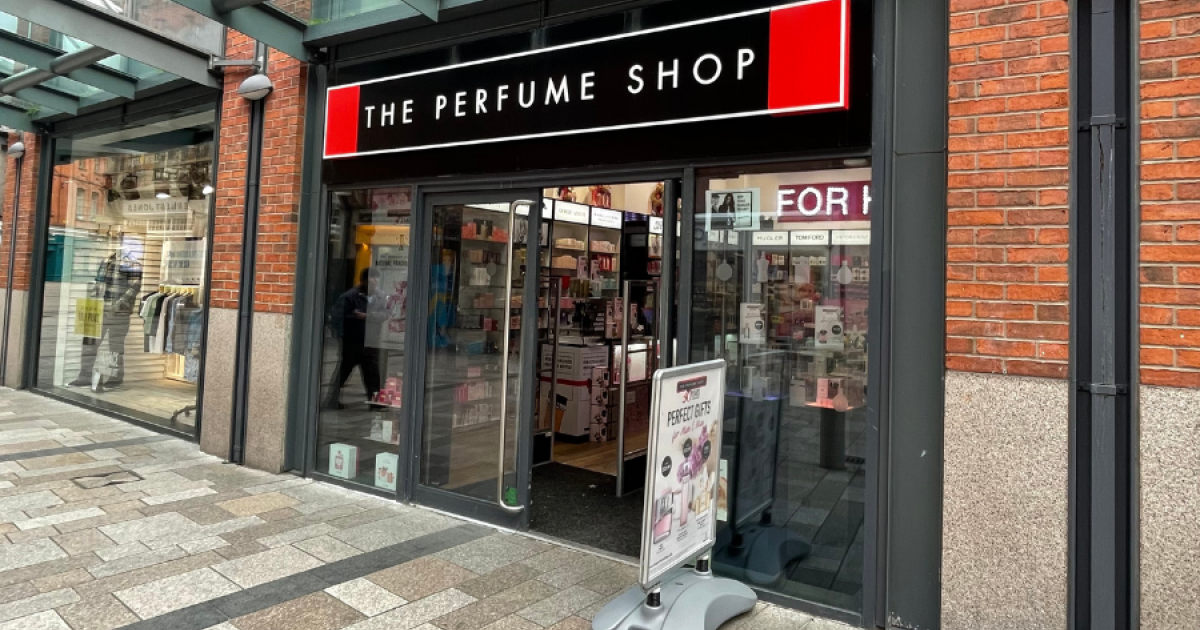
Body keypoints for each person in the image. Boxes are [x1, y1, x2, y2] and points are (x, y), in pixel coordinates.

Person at [326, 267, 382, 409]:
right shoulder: (350, 296)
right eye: (371, 278)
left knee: (373, 374)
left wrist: (367, 317)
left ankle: (375, 402)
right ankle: (331, 401)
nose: (374, 281)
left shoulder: (380, 297)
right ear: (363, 280)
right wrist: (342, 335)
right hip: (352, 343)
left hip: (370, 342)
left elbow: (385, 314)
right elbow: (337, 318)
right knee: (343, 374)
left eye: (377, 278)